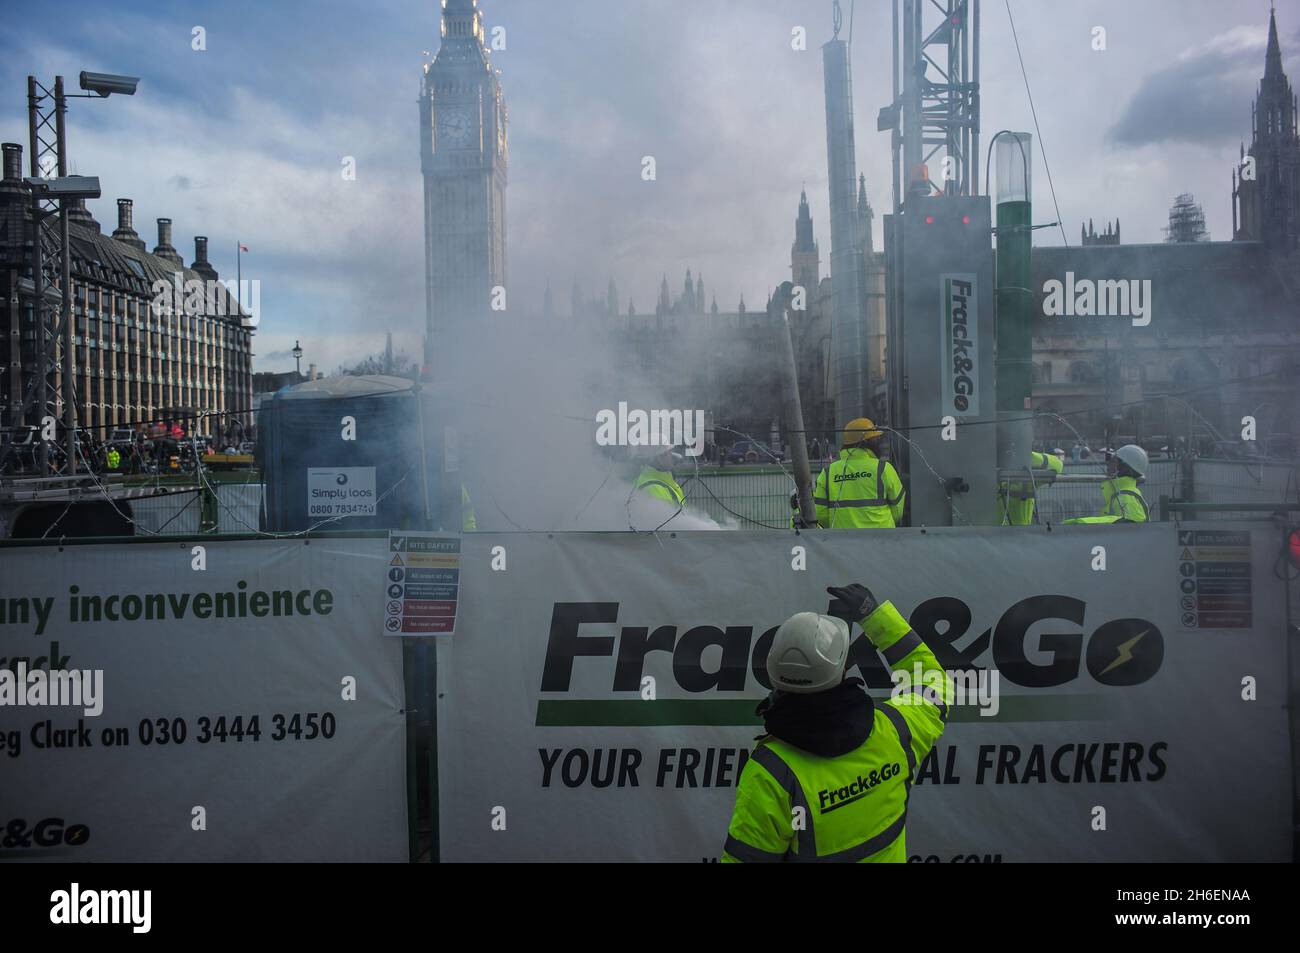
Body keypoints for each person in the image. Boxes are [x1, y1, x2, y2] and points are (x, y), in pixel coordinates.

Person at [722, 583, 953, 863]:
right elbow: (933, 681)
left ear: (773, 671)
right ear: (844, 667)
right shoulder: (895, 730)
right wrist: (874, 616)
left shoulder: (772, 771)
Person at [812, 418, 905, 528]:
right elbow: (898, 511)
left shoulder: (828, 472)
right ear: (865, 442)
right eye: (875, 439)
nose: (878, 442)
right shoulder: (883, 468)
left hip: (843, 541)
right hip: (881, 539)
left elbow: (820, 514)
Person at [1064, 444, 1150, 524]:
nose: (1108, 464)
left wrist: (1078, 523)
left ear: (1124, 468)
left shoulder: (1125, 499)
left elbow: (1132, 532)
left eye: (1113, 461)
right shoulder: (1123, 494)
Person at [998, 449, 1064, 525]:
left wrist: (1025, 456)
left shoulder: (1025, 477)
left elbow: (1058, 465)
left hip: (1015, 532)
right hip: (1018, 532)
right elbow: (1058, 465)